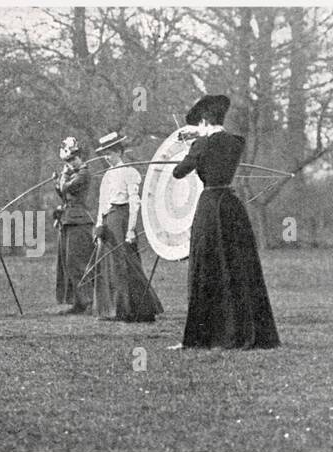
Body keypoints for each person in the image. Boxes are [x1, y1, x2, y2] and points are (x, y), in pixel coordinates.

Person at [169, 94, 280, 350]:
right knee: (237, 267)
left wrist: (191, 147)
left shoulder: (200, 146)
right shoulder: (236, 142)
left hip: (210, 207)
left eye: (199, 122)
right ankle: (243, 331)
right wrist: (198, 140)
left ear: (205, 119)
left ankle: (208, 335)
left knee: (206, 267)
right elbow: (218, 145)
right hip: (231, 206)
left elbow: (178, 172)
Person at [89, 131, 163, 322]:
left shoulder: (130, 172)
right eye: (105, 154)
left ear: (119, 152)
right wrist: (99, 226)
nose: (107, 157)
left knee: (124, 263)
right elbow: (102, 202)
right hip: (109, 221)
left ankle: (134, 309)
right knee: (107, 265)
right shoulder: (106, 175)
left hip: (122, 220)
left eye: (111, 153)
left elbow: (135, 203)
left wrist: (130, 229)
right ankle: (111, 309)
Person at [54, 137, 95, 314]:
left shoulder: (84, 173)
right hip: (68, 220)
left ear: (80, 157)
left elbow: (66, 188)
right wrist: (58, 182)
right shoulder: (73, 173)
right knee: (68, 263)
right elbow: (63, 194)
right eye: (68, 161)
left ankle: (88, 301)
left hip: (80, 221)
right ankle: (78, 302)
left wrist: (62, 176)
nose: (70, 163)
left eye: (73, 159)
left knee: (78, 262)